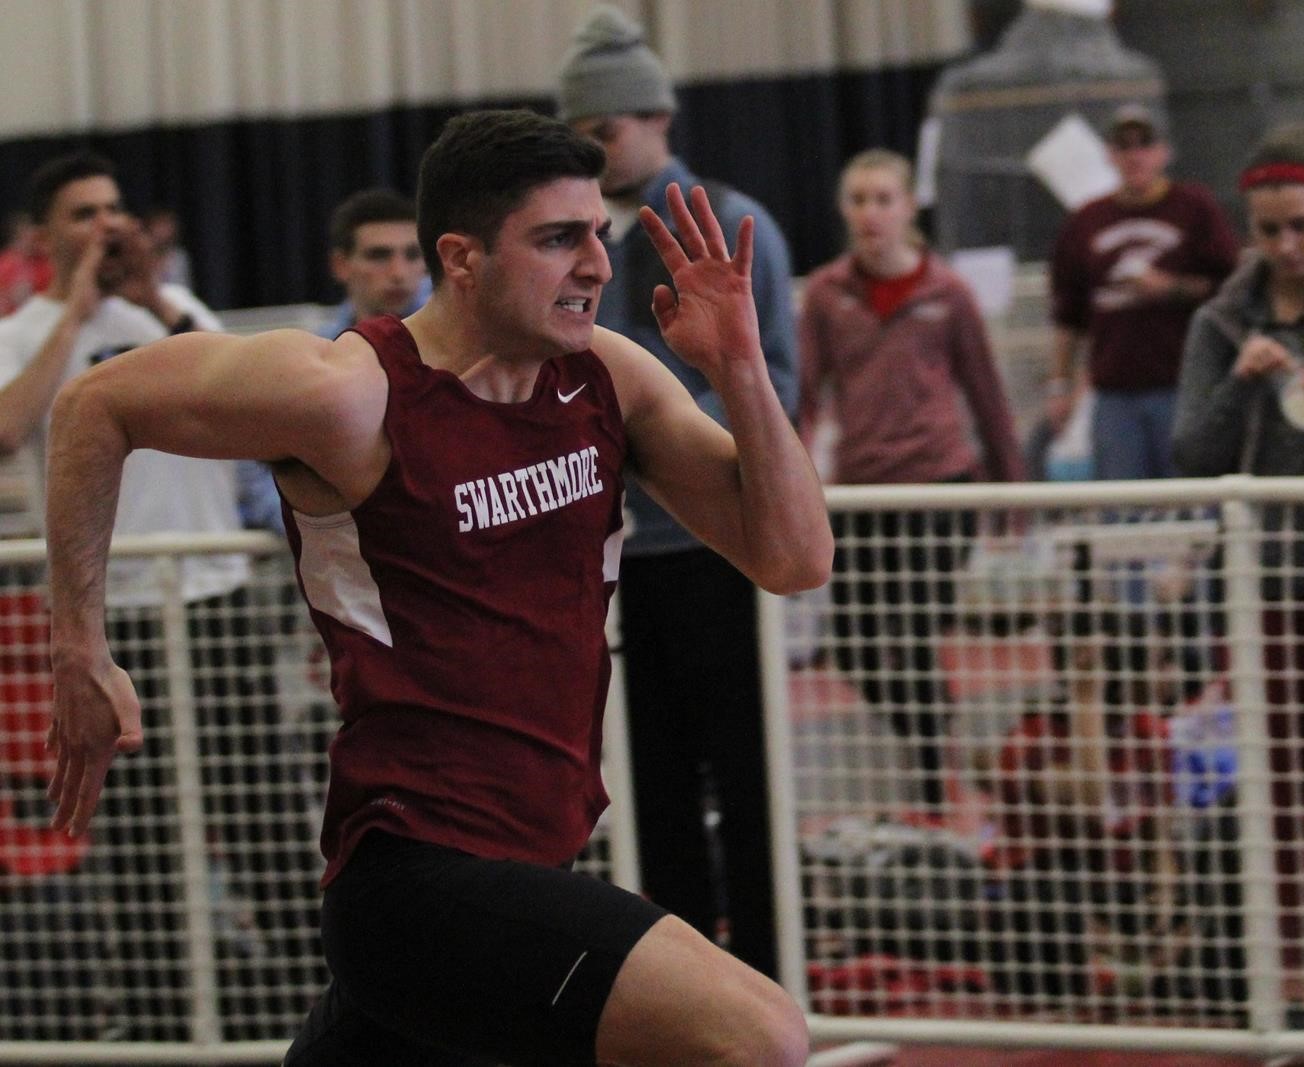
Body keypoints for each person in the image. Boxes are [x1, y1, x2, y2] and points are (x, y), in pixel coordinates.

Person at [44, 108, 832, 1066]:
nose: (596, 265)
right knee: (761, 1036)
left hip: (533, 854)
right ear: (461, 258)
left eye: (599, 235)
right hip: (415, 879)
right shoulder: (350, 393)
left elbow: (793, 558)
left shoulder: (607, 380)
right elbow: (97, 404)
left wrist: (742, 363)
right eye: (557, 240)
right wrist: (81, 647)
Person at [0, 152, 311, 1041]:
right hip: (114, 619)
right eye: (81, 212)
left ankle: (313, 1010)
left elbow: (267, 388)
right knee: (139, 843)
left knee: (264, 818)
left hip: (212, 605)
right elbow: (12, 426)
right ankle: (156, 1025)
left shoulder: (173, 320)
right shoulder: (23, 335)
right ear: (43, 235)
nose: (104, 225)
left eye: (114, 209)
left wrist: (153, 295)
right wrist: (75, 317)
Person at [555, 3, 798, 979]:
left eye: (603, 129)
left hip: (715, 545)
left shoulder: (732, 226)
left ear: (655, 116)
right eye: (579, 133)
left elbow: (772, 381)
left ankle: (769, 976)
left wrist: (648, 427)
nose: (593, 145)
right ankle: (691, 980)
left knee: (747, 776)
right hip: (616, 556)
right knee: (648, 783)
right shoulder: (571, 240)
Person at [798, 148, 1025, 811]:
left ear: (908, 208)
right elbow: (806, 397)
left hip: (939, 485)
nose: (871, 213)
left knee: (915, 630)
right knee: (855, 646)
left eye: (883, 199)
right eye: (859, 200)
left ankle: (932, 787)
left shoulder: (947, 293)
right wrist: (790, 471)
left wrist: (1014, 496)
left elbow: (988, 396)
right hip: (864, 492)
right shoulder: (826, 293)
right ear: (845, 210)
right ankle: (941, 733)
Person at [1172, 120, 1304, 989]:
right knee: (1284, 792)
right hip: (1271, 590)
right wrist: (1240, 383)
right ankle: (1290, 975)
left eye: (1301, 224)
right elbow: (1190, 450)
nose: (1287, 245)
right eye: (1269, 229)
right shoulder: (1221, 322)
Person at [1046, 103, 1241, 480]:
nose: (1135, 156)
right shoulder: (1085, 222)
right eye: (1124, 146)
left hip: (1184, 386)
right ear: (1109, 154)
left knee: (1189, 499)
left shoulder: (1194, 208)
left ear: (1164, 151)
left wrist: (1170, 288)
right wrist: (1059, 386)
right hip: (1114, 392)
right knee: (1123, 510)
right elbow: (1066, 316)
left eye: (1145, 144)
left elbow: (1231, 287)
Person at [317, 187, 431, 339]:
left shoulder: (458, 339)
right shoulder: (320, 350)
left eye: (413, 255)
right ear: (340, 265)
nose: (399, 273)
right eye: (379, 256)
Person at [0, 211, 53, 317]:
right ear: (18, 236)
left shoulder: (47, 264)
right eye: (27, 235)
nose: (33, 240)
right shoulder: (4, 264)